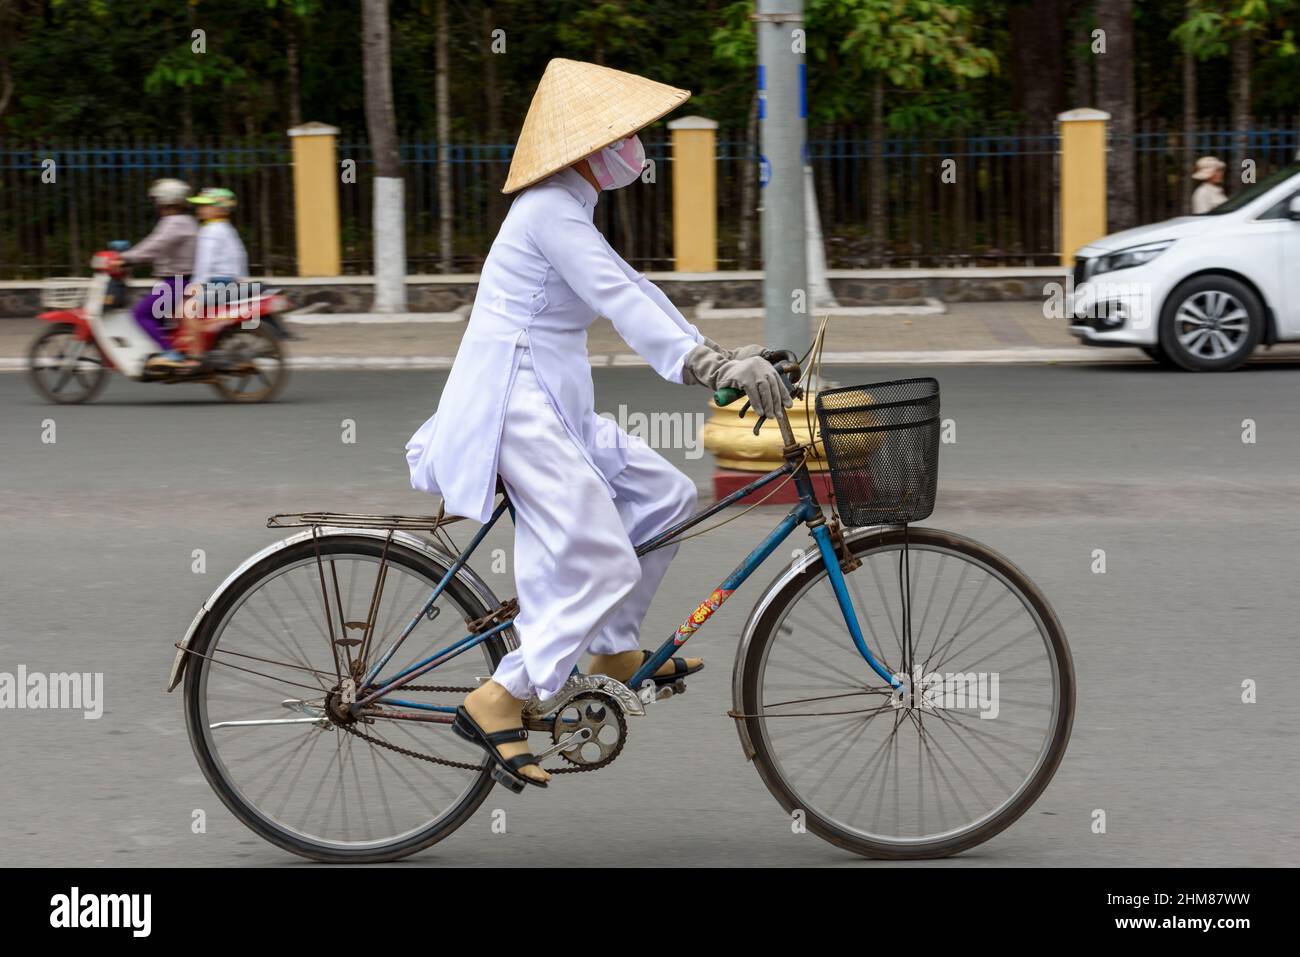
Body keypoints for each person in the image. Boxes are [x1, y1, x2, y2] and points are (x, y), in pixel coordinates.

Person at [405, 59, 789, 790]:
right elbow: (619, 295)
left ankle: (613, 649)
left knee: (667, 495)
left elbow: (634, 288)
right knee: (603, 557)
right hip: (515, 410)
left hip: (556, 404)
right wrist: (710, 369)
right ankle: (502, 695)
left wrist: (723, 354)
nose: (636, 147)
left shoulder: (566, 208)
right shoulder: (548, 209)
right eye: (626, 135)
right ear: (589, 146)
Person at [164, 187, 250, 365]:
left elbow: (205, 261)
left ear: (220, 209)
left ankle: (196, 355)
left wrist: (196, 285)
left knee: (184, 310)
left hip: (218, 283)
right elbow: (240, 255)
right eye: (200, 205)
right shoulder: (226, 229)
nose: (200, 209)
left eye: (206, 205)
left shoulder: (209, 231)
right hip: (231, 283)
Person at [119, 178, 197, 366]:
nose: (156, 203)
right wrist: (131, 257)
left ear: (164, 200)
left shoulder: (174, 223)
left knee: (141, 314)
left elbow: (154, 245)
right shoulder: (186, 221)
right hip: (178, 281)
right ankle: (162, 352)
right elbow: (158, 247)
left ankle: (171, 353)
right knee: (158, 318)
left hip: (175, 283)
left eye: (157, 199)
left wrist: (126, 258)